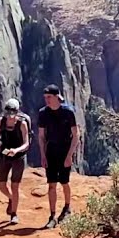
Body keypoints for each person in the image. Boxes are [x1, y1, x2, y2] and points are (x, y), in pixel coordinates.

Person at [36, 84, 79, 229]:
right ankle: (52, 216)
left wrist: (69, 155)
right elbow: (41, 136)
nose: (46, 100)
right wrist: (43, 155)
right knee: (51, 184)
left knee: (65, 182)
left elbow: (75, 135)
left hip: (65, 150)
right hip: (51, 151)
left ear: (56, 97)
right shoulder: (43, 113)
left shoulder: (68, 112)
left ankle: (67, 208)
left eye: (49, 97)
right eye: (45, 97)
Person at [0, 98, 30, 224]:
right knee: (1, 185)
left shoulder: (22, 124)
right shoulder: (0, 122)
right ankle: (12, 199)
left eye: (12, 113)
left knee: (15, 185)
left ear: (17, 112)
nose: (10, 116)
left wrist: (16, 150)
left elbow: (26, 144)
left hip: (18, 157)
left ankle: (14, 213)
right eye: (8, 112)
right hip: (4, 155)